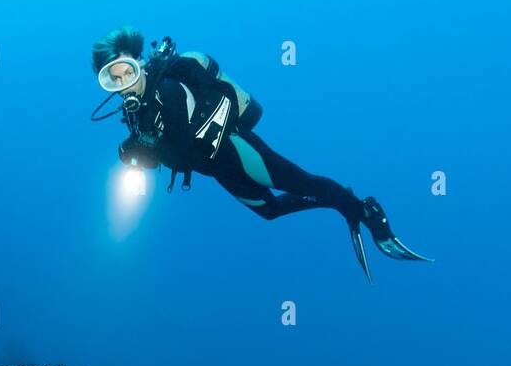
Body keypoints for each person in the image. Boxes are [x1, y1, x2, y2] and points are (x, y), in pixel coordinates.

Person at [91, 26, 432, 280]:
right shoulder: (138, 112)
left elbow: (177, 151)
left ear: (138, 63)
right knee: (269, 211)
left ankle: (366, 212)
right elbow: (163, 152)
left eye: (126, 71)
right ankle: (342, 204)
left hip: (234, 148)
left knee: (302, 183)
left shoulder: (167, 88)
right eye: (113, 79)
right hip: (216, 167)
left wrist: (139, 150)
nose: (124, 83)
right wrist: (136, 149)